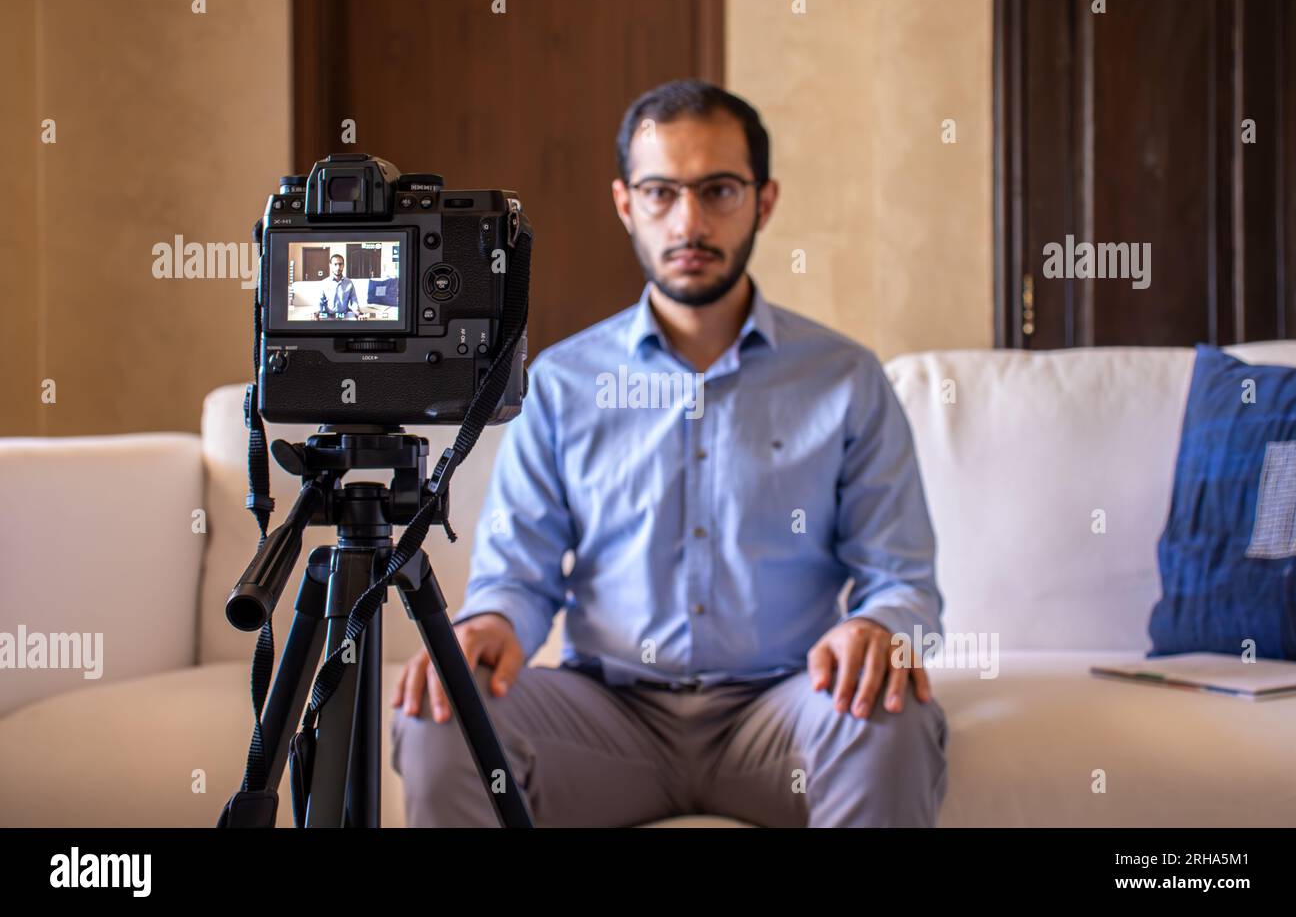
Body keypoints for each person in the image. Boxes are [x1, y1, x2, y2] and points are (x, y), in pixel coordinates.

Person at [390, 79, 949, 827]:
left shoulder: (845, 379)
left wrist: (878, 628)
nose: (689, 221)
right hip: (606, 718)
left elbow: (903, 580)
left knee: (891, 714)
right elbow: (516, 577)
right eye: (660, 192)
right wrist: (490, 621)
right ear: (626, 204)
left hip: (784, 714)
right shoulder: (560, 384)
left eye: (719, 190)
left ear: (765, 200)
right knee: (441, 713)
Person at [321, 253, 360, 318]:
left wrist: (358, 312)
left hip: (344, 316)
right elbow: (320, 301)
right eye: (335, 264)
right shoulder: (324, 283)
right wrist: (317, 312)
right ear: (330, 265)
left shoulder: (349, 283)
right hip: (329, 316)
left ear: (343, 265)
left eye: (340, 264)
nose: (338, 267)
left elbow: (354, 301)